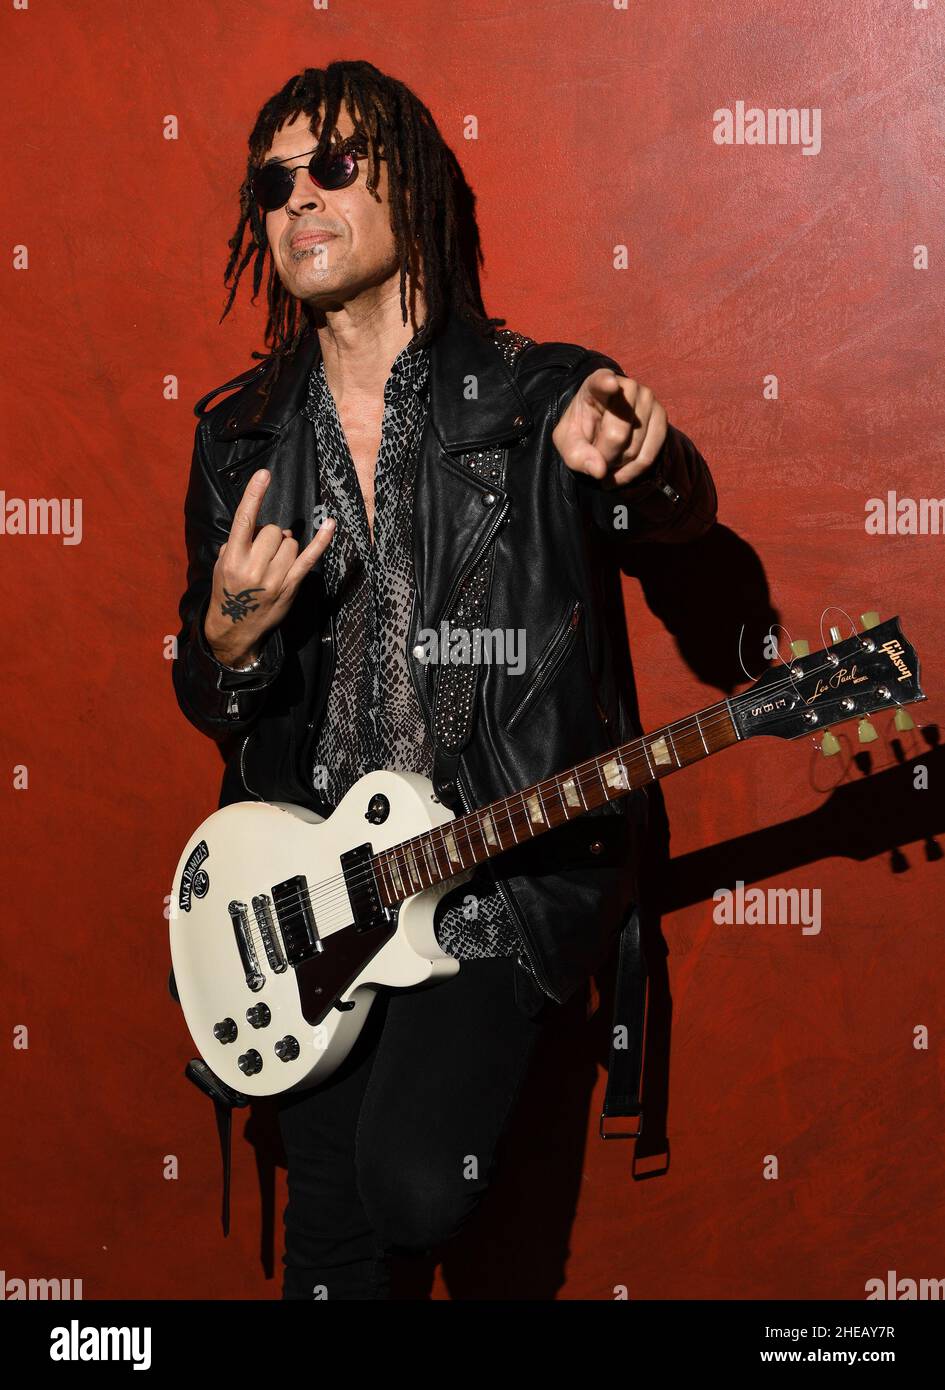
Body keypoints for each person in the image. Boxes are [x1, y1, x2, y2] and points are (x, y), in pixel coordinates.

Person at [171, 59, 717, 1299]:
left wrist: (652, 460)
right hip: (305, 887)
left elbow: (680, 513)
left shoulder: (536, 399)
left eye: (336, 165)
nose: (298, 198)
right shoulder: (238, 436)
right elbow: (209, 699)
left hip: (496, 879)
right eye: (274, 182)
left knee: (414, 1182)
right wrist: (228, 647)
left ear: (411, 187)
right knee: (331, 1249)